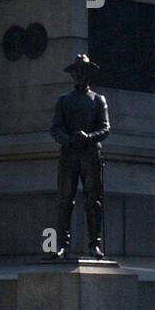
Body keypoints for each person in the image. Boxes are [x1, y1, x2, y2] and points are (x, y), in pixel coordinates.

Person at [50, 54, 110, 259]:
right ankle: (62, 245)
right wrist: (69, 140)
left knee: (94, 200)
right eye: (76, 72)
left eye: (83, 71)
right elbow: (55, 128)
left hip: (90, 154)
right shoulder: (63, 101)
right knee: (64, 199)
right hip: (69, 155)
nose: (79, 75)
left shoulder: (98, 99)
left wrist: (88, 137)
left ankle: (95, 244)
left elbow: (105, 128)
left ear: (89, 74)